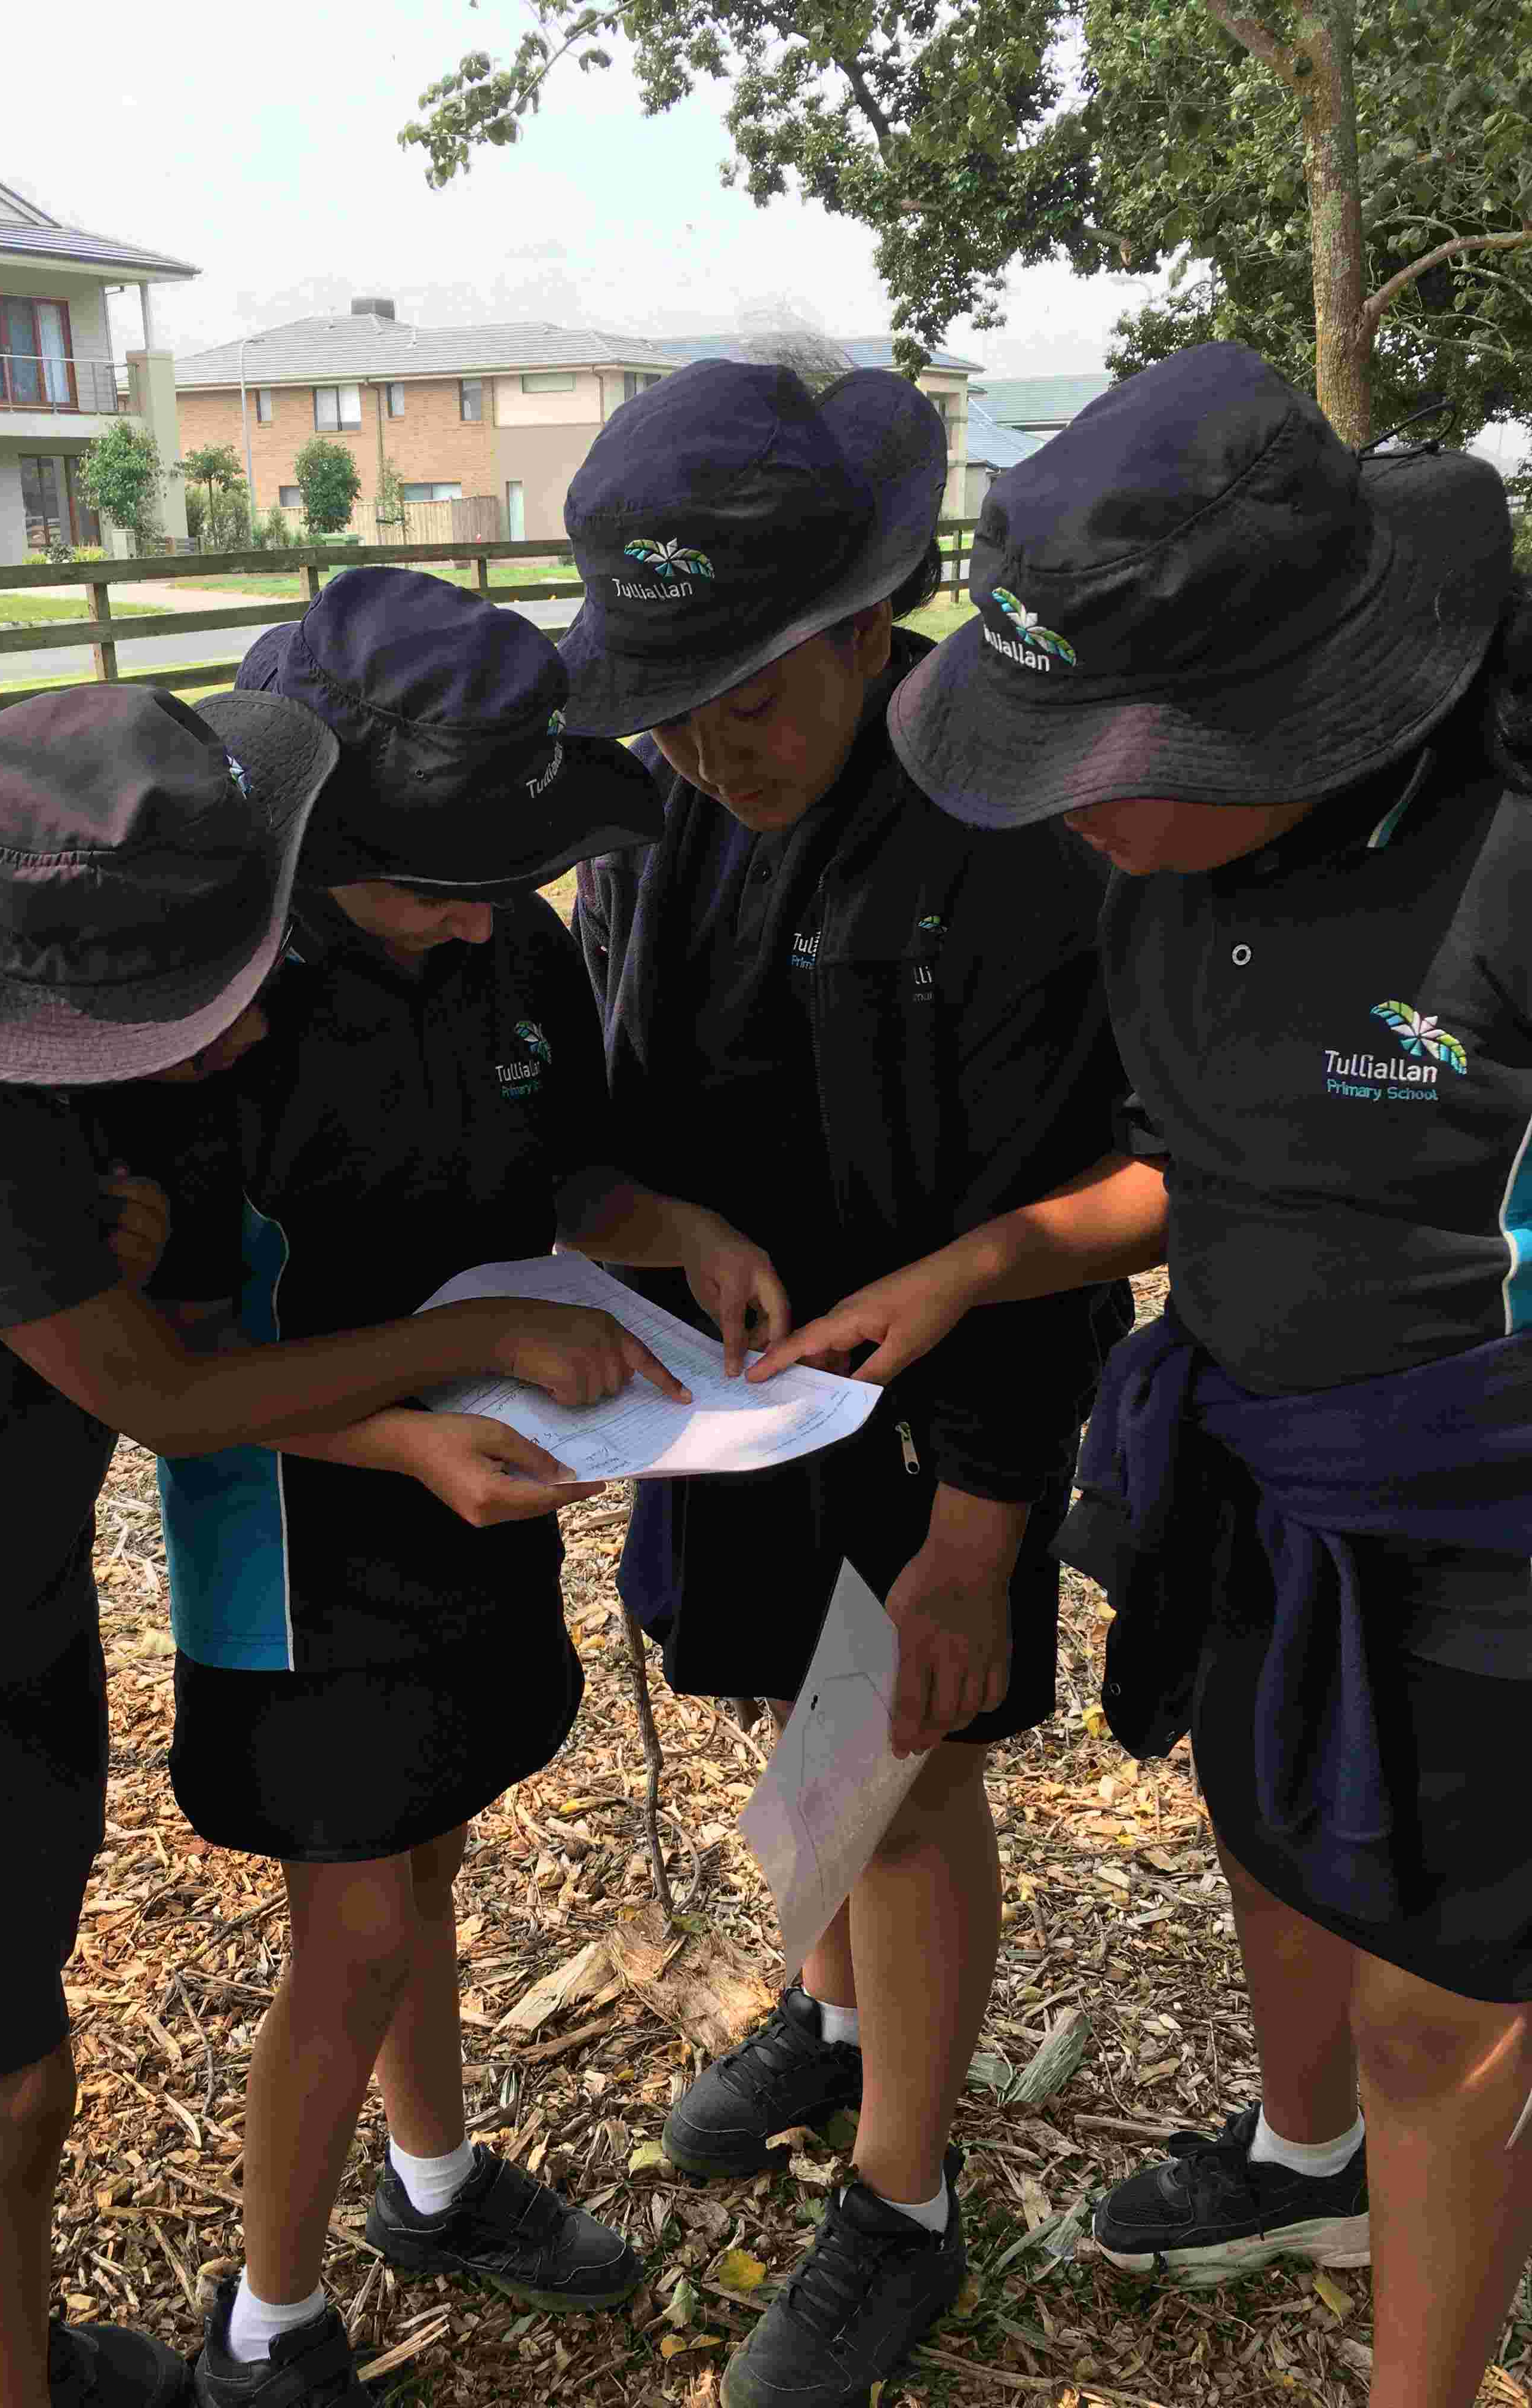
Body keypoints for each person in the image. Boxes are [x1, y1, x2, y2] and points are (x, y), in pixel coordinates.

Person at [0, 684, 679, 2408]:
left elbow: (143, 1327)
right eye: (213, 1005)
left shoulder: (33, 1073)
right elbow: (166, 1396)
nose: (251, 1034)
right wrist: (476, 1344)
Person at [883, 340, 1532, 2408]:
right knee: (1275, 1822)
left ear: (1287, 715)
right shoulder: (1161, 875)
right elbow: (1205, 1163)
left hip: (1485, 1518)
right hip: (1259, 1445)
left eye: (1100, 764)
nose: (1066, 811)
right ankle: (1307, 2158)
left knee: (1448, 2016)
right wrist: (988, 1259)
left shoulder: (1509, 852)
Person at [555, 360, 1134, 2408]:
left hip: (935, 1398)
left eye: (751, 701)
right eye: (670, 709)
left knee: (905, 1769)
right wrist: (654, 1239)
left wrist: (981, 1531)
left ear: (866, 631)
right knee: (787, 1716)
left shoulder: (1004, 837)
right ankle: (832, 2013)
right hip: (736, 1381)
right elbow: (617, 1089)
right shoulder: (658, 812)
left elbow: (1043, 1208)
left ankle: (905, 2196)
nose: (710, 753)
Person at [149, 568, 794, 2408]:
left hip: (486, 1478)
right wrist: (426, 1405)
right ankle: (267, 2330)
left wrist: (689, 1232)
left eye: (503, 878)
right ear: (323, 847)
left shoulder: (510, 939)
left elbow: (570, 1178)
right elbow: (174, 1370)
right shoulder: (217, 999)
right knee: (350, 1932)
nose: (474, 917)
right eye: (431, 885)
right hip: (305, 1528)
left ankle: (432, 2185)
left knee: (425, 1855)